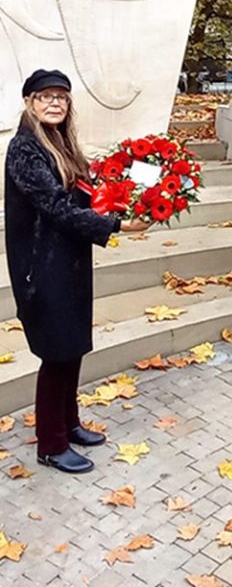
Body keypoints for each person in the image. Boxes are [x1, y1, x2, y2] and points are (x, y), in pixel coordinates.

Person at [4, 69, 149, 473]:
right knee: (56, 354)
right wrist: (118, 225)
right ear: (30, 102)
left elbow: (86, 192)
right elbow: (56, 207)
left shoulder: (60, 143)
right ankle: (51, 445)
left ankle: (68, 424)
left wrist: (134, 185)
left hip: (69, 262)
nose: (55, 103)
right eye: (45, 96)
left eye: (61, 97)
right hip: (41, 269)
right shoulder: (24, 149)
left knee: (72, 346)